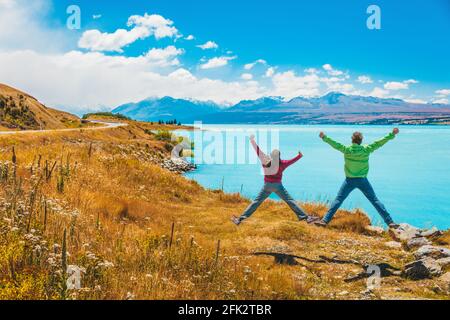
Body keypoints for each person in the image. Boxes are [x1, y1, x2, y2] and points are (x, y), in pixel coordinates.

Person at [310, 128, 400, 228]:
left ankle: (325, 221)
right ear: (361, 141)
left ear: (352, 140)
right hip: (362, 180)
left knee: (338, 200)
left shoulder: (347, 150)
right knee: (375, 201)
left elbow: (335, 144)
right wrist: (392, 134)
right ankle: (390, 222)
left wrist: (324, 137)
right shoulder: (366, 149)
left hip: (349, 181)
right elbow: (379, 142)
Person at [231, 135, 318, 225]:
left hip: (267, 186)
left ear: (271, 155)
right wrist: (299, 156)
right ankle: (306, 218)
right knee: (290, 201)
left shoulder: (265, 160)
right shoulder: (283, 163)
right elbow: (292, 161)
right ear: (279, 156)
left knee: (256, 202)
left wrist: (252, 140)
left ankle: (240, 219)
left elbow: (258, 151)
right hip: (278, 186)